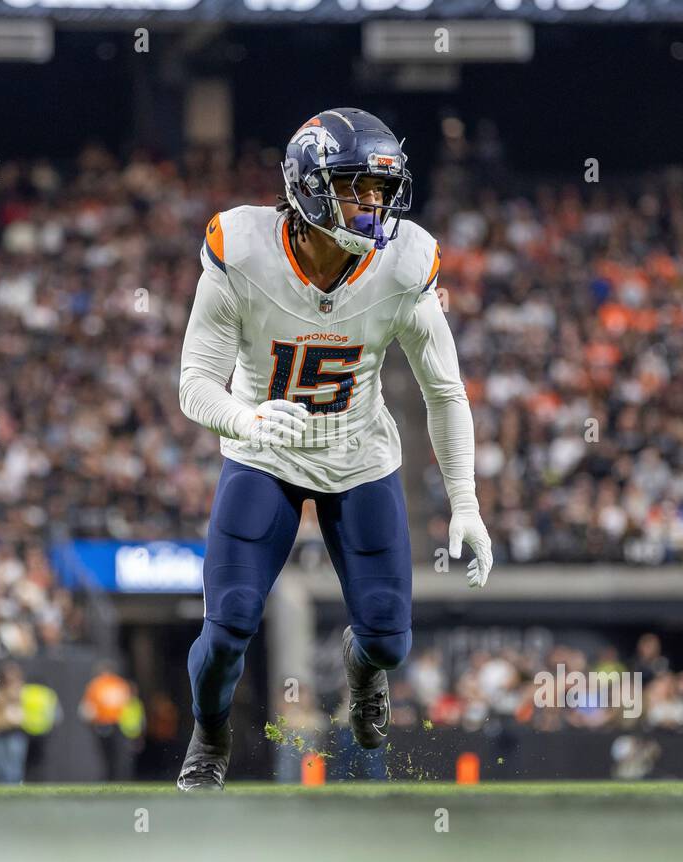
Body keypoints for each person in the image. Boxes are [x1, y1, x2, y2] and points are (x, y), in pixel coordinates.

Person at [175, 108, 493, 790]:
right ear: (310, 186)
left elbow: (446, 392)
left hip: (358, 456)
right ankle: (211, 732)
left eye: (382, 190)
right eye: (358, 187)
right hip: (267, 455)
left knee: (389, 639)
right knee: (228, 625)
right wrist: (243, 420)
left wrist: (465, 501)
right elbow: (195, 382)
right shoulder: (243, 248)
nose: (374, 205)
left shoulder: (404, 264)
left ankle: (362, 664)